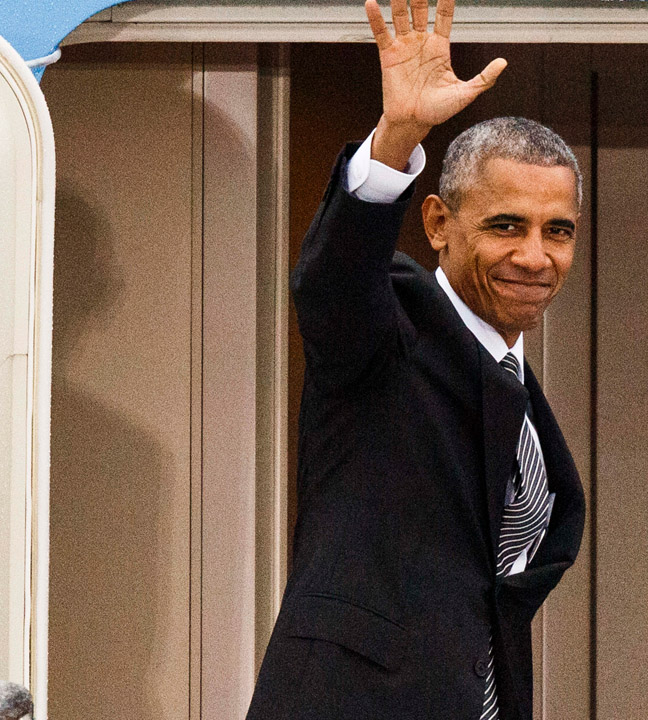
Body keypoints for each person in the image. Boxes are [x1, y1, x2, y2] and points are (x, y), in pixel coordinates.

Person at [245, 0, 586, 718]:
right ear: (437, 224)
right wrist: (397, 136)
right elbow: (331, 281)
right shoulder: (389, 330)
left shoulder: (516, 390)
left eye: (557, 231)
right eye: (505, 226)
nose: (535, 255)